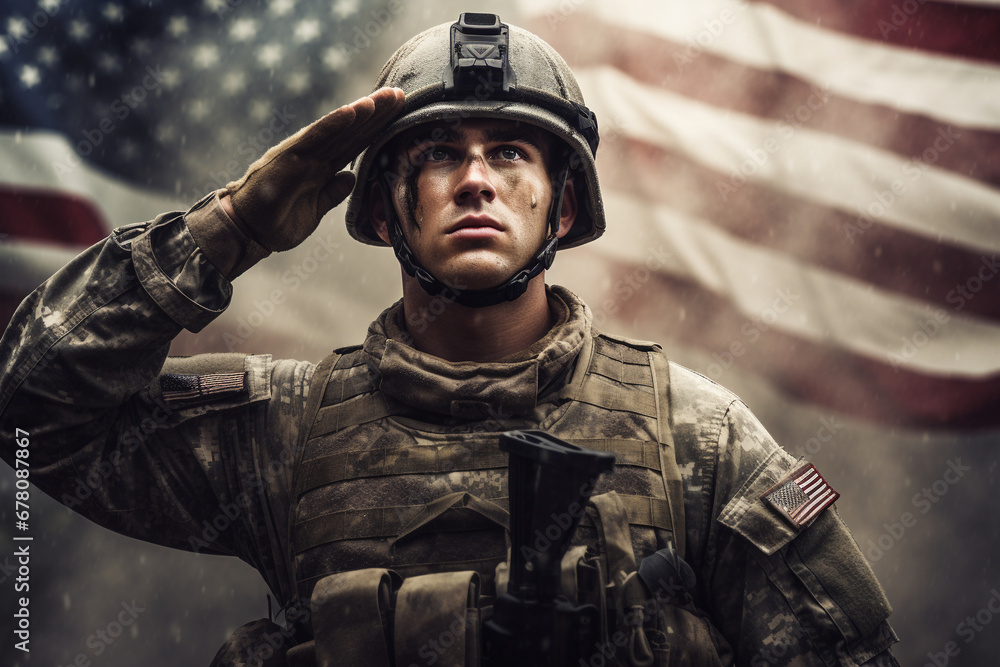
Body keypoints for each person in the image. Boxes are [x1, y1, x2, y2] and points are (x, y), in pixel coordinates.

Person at [0, 12, 898, 667]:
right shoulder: (284, 429)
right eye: (438, 154)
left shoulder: (697, 436)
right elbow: (34, 410)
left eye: (511, 151)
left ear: (566, 204)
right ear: (389, 209)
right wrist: (231, 225)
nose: (476, 179)